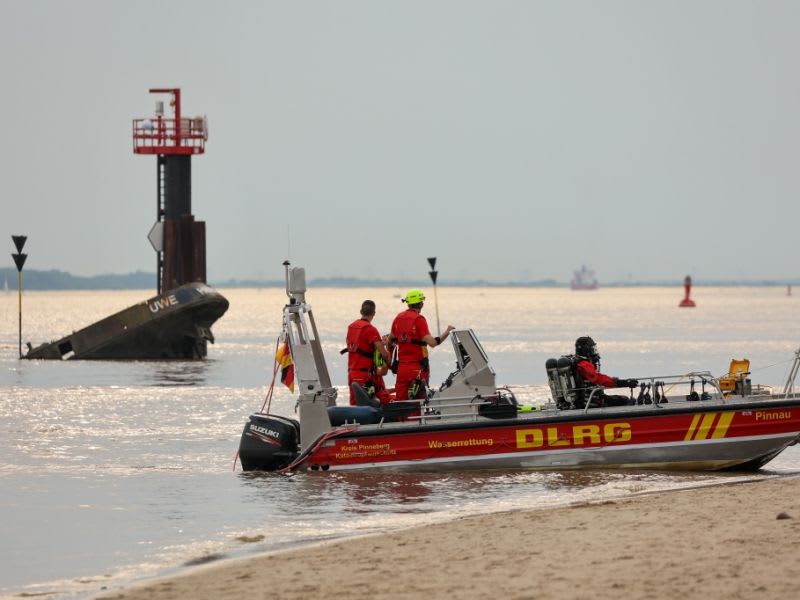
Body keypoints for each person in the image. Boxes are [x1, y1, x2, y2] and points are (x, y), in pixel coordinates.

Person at [390, 289, 455, 404]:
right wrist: (447, 331)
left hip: (402, 369)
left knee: (400, 402)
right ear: (421, 304)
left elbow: (390, 340)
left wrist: (391, 358)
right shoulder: (419, 320)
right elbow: (433, 343)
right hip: (418, 369)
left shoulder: (398, 318)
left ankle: (402, 416)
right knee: (419, 402)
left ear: (408, 303)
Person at [345, 300, 391, 405]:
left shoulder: (351, 327)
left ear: (361, 311)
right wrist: (388, 361)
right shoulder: (371, 329)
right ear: (374, 313)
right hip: (364, 375)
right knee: (369, 405)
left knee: (354, 405)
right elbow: (384, 354)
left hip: (352, 373)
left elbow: (359, 345)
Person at [573, 336, 638, 407]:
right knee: (624, 400)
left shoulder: (579, 362)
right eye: (592, 349)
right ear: (586, 350)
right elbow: (599, 379)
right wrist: (622, 383)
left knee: (623, 398)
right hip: (592, 402)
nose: (594, 352)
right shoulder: (583, 364)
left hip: (594, 398)